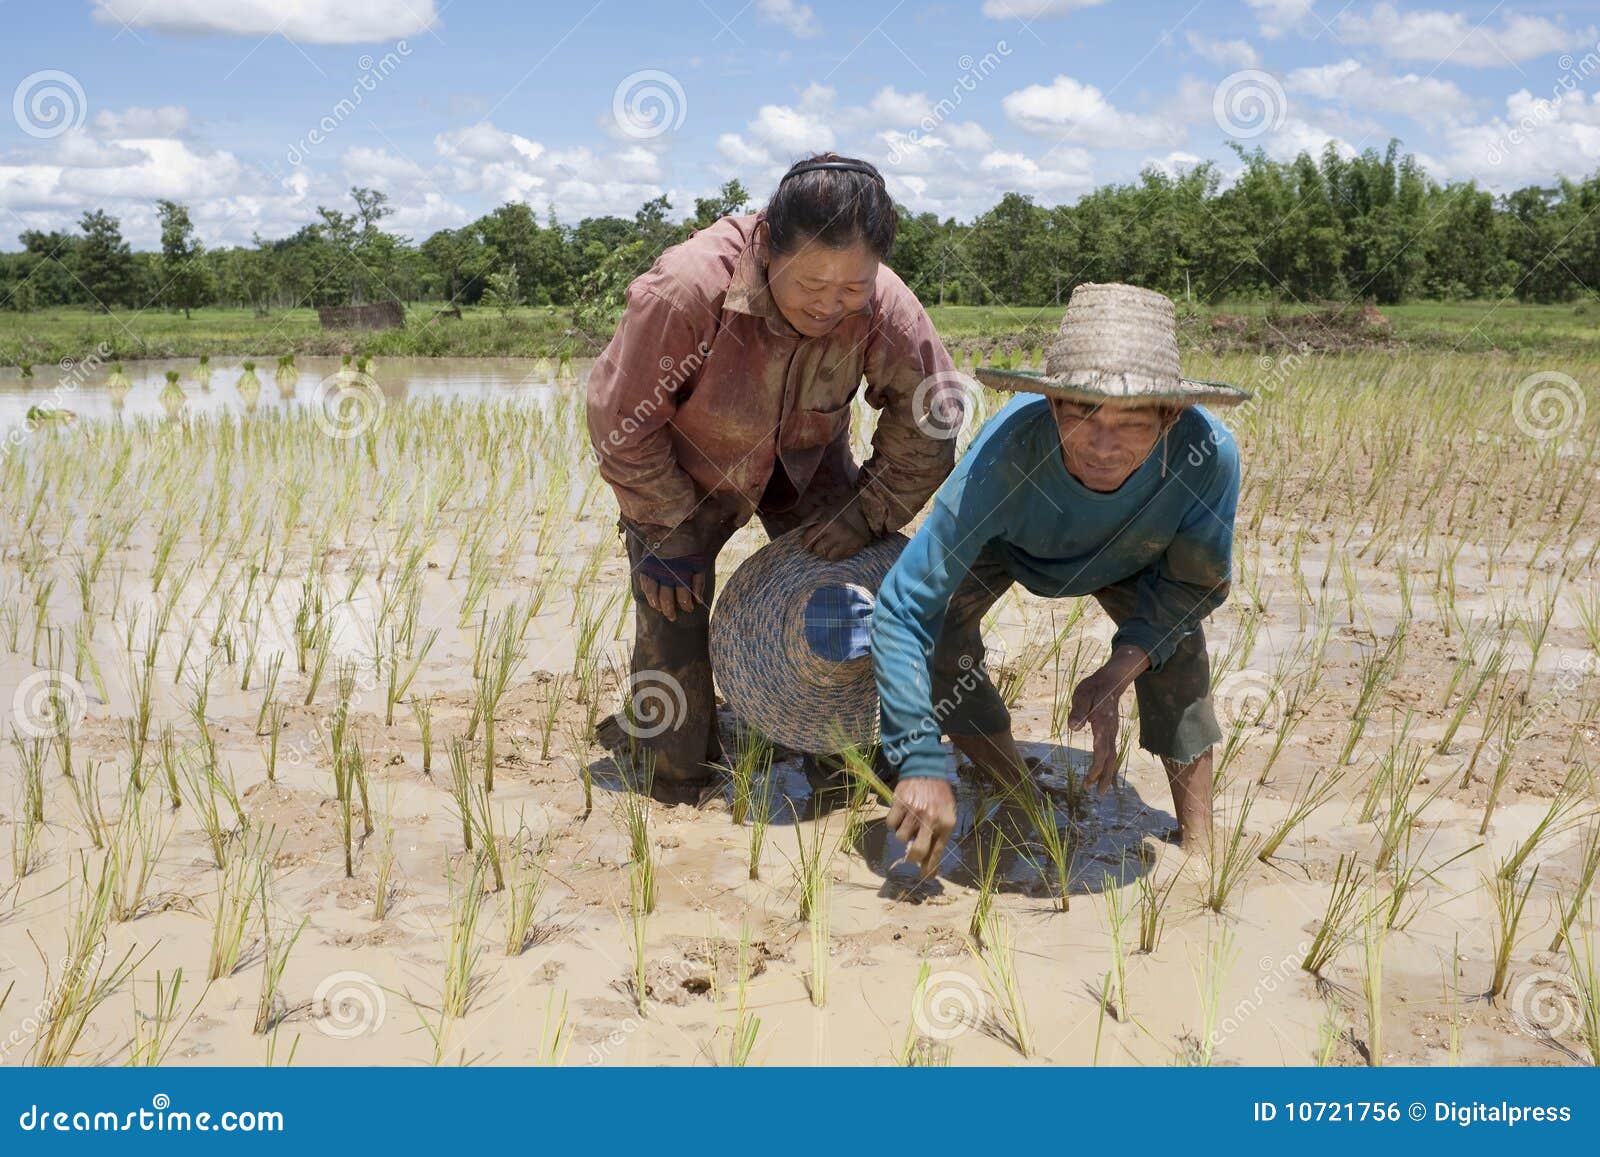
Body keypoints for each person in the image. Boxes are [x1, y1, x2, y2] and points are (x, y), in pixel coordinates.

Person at [587, 152, 960, 803]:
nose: (830, 304)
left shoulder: (885, 306)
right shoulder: (686, 289)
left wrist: (869, 512)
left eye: (852, 289)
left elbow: (934, 414)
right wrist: (668, 528)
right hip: (683, 474)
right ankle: (664, 745)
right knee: (674, 716)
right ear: (766, 246)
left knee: (843, 625)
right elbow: (621, 420)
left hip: (809, 461)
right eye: (812, 283)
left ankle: (834, 747)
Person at [869, 282, 1248, 876]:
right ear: (1052, 407)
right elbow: (904, 606)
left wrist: (1118, 672)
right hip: (1014, 546)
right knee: (944, 627)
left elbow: (1191, 588)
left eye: (1131, 423)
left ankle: (1200, 839)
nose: (1102, 445)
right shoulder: (1007, 454)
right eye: (1081, 414)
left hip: (1133, 553)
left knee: (1177, 651)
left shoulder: (1208, 456)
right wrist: (918, 756)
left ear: (1171, 416)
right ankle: (1014, 787)